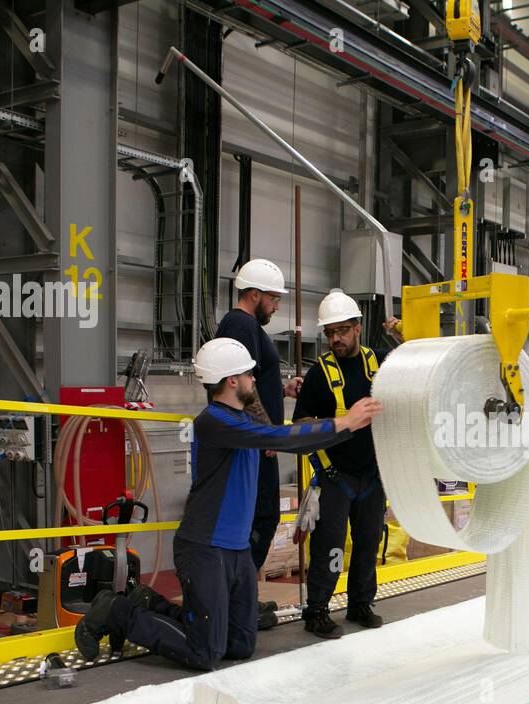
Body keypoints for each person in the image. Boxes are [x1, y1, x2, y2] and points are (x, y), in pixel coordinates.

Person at [73, 338, 381, 670]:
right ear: (232, 380)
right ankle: (117, 612)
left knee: (240, 644)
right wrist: (344, 422)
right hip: (205, 547)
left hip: (236, 551)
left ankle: (146, 601)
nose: (254, 380)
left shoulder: (243, 419)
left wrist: (344, 426)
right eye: (250, 374)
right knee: (205, 653)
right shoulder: (214, 421)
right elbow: (277, 437)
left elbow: (279, 434)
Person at [293, 289, 391, 637]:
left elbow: (418, 361)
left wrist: (402, 333)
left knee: (368, 543)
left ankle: (360, 603)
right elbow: (299, 425)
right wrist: (340, 421)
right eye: (330, 333)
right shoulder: (319, 374)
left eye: (342, 331)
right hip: (335, 477)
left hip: (372, 476)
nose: (335, 339)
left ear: (358, 328)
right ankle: (317, 610)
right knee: (329, 548)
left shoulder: (381, 362)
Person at [215, 258, 301, 629]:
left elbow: (253, 382)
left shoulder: (245, 327)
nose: (277, 306)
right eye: (274, 298)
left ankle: (242, 603)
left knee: (259, 518)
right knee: (260, 519)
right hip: (254, 442)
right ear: (254, 295)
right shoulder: (241, 324)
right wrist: (267, 431)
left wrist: (281, 389)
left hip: (256, 438)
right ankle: (239, 606)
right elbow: (239, 383)